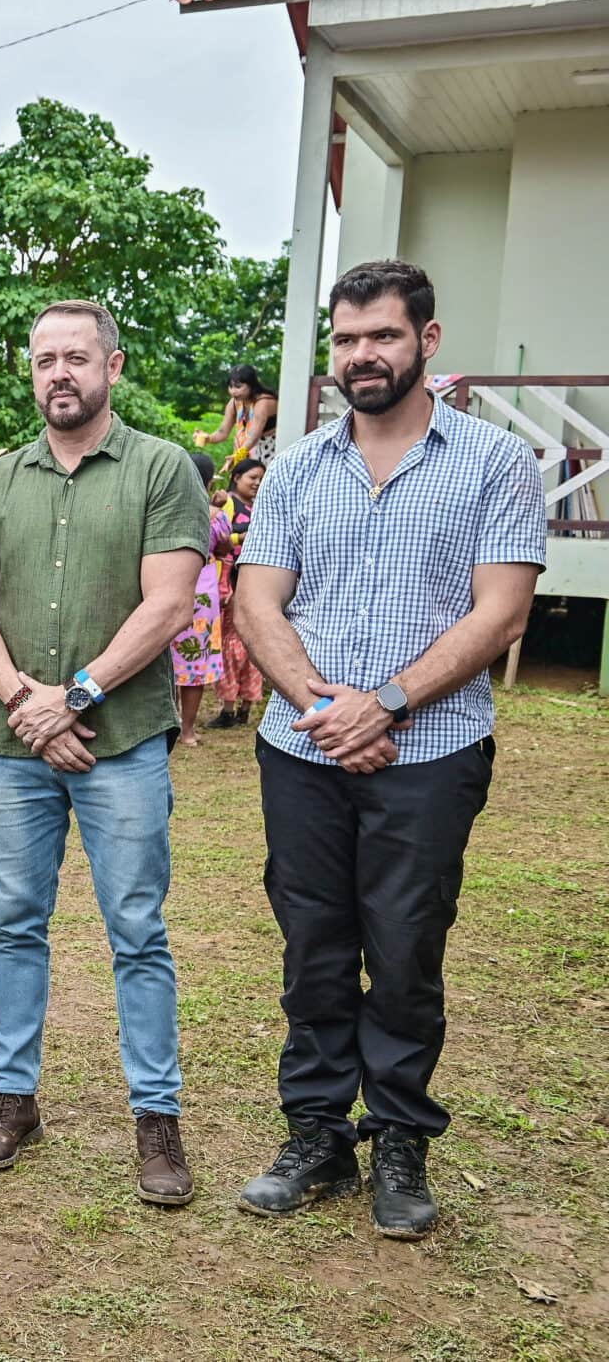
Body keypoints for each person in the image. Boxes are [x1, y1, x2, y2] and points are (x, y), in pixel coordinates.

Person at [232, 260, 544, 1240]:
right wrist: (321, 705)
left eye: (381, 336)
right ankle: (316, 1130)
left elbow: (499, 609)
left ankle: (399, 1136)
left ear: (426, 340)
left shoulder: (492, 463)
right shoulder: (295, 468)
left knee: (405, 946)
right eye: (346, 339)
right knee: (312, 945)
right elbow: (255, 597)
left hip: (430, 751)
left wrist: (386, 702)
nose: (361, 356)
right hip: (300, 748)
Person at [0, 299, 208, 1206]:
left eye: (77, 358)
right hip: (19, 750)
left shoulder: (160, 468)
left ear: (114, 365)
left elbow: (169, 604)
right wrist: (26, 703)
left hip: (122, 743)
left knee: (137, 932)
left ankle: (157, 1122)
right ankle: (12, 1100)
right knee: (16, 925)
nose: (59, 373)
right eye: (44, 360)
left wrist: (77, 697)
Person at [170, 452, 226, 746]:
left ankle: (166, 725)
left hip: (164, 588)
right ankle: (188, 731)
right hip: (201, 595)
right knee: (195, 664)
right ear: (207, 480)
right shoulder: (215, 516)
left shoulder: (165, 508)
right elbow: (226, 547)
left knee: (162, 662)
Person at [209, 457, 266, 729]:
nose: (256, 483)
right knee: (232, 643)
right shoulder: (228, 503)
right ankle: (229, 706)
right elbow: (217, 537)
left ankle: (246, 705)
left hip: (254, 580)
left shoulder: (262, 505)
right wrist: (243, 537)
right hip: (228, 580)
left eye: (260, 478)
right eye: (251, 477)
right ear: (236, 478)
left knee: (251, 643)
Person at [195, 363, 279, 468]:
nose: (233, 391)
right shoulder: (235, 403)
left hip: (268, 454)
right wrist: (208, 438)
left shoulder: (263, 402)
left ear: (251, 385)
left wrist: (238, 456)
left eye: (238, 387)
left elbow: (253, 437)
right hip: (244, 453)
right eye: (231, 387)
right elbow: (223, 432)